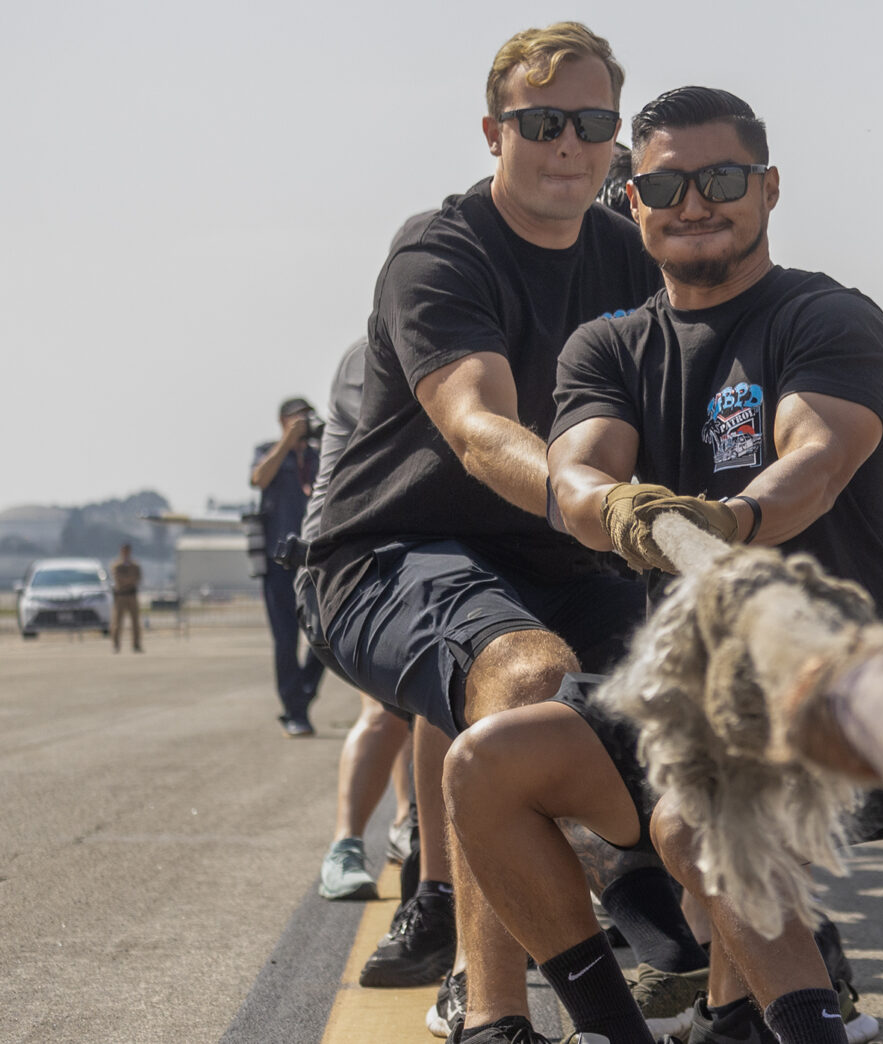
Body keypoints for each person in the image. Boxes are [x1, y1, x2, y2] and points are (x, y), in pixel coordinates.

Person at [517, 85, 883, 1044]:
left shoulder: (829, 320)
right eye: (667, 184)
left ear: (769, 188)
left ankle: (804, 1019)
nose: (696, 201)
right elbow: (578, 475)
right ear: (632, 201)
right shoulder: (608, 346)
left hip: (835, 687)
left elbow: (813, 460)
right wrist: (610, 504)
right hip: (687, 695)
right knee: (491, 763)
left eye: (723, 178)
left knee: (694, 822)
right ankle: (643, 1023)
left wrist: (730, 517)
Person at [304, 24, 674, 1044]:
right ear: (493, 131)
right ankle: (491, 1006)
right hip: (391, 551)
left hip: (562, 556)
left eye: (593, 123)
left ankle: (737, 975)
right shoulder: (441, 250)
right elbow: (476, 425)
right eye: (541, 122)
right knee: (521, 678)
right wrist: (601, 501)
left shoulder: (630, 258)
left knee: (696, 703)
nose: (568, 144)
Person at [298, 336, 416, 903]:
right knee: (388, 707)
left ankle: (407, 824)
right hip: (355, 559)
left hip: (421, 550)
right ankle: (346, 844)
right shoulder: (371, 357)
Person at [251, 396, 326, 735]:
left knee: (325, 633)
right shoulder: (268, 450)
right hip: (277, 558)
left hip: (315, 558)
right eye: (298, 418)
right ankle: (295, 711)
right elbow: (258, 479)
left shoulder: (319, 455)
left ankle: (303, 692)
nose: (304, 424)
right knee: (285, 639)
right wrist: (286, 442)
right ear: (283, 421)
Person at [109, 543, 142, 653]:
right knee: (117, 622)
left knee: (135, 622)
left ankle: (136, 644)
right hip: (121, 596)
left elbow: (137, 578)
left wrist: (127, 580)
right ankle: (116, 644)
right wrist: (128, 580)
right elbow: (118, 578)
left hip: (132, 595)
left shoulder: (135, 565)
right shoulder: (117, 565)